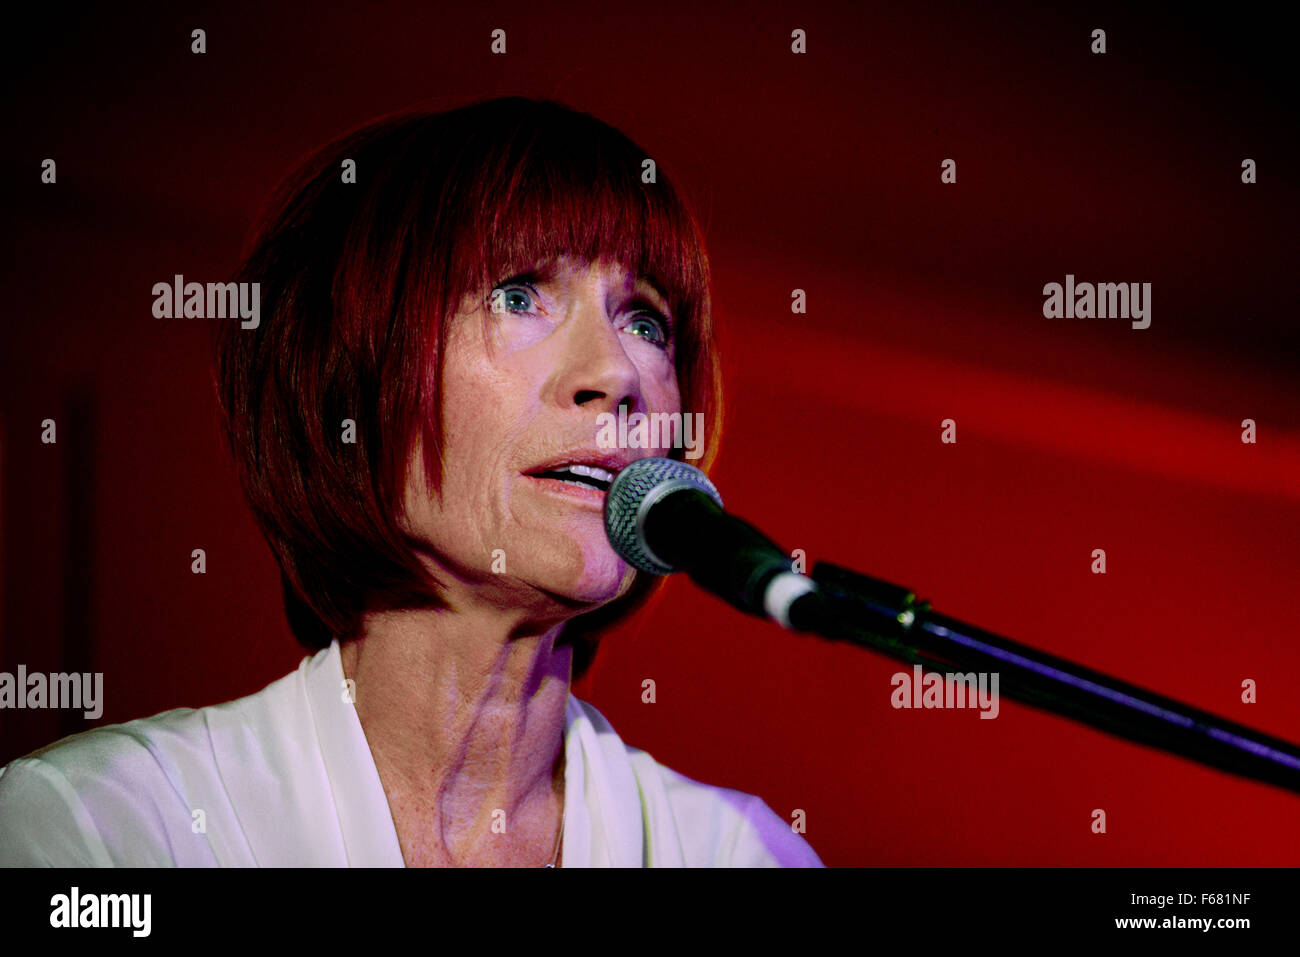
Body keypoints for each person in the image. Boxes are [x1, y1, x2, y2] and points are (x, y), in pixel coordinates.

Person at [0, 96, 823, 867]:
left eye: (645, 320)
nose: (615, 373)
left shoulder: (738, 852)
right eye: (518, 293)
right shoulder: (102, 826)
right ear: (350, 382)